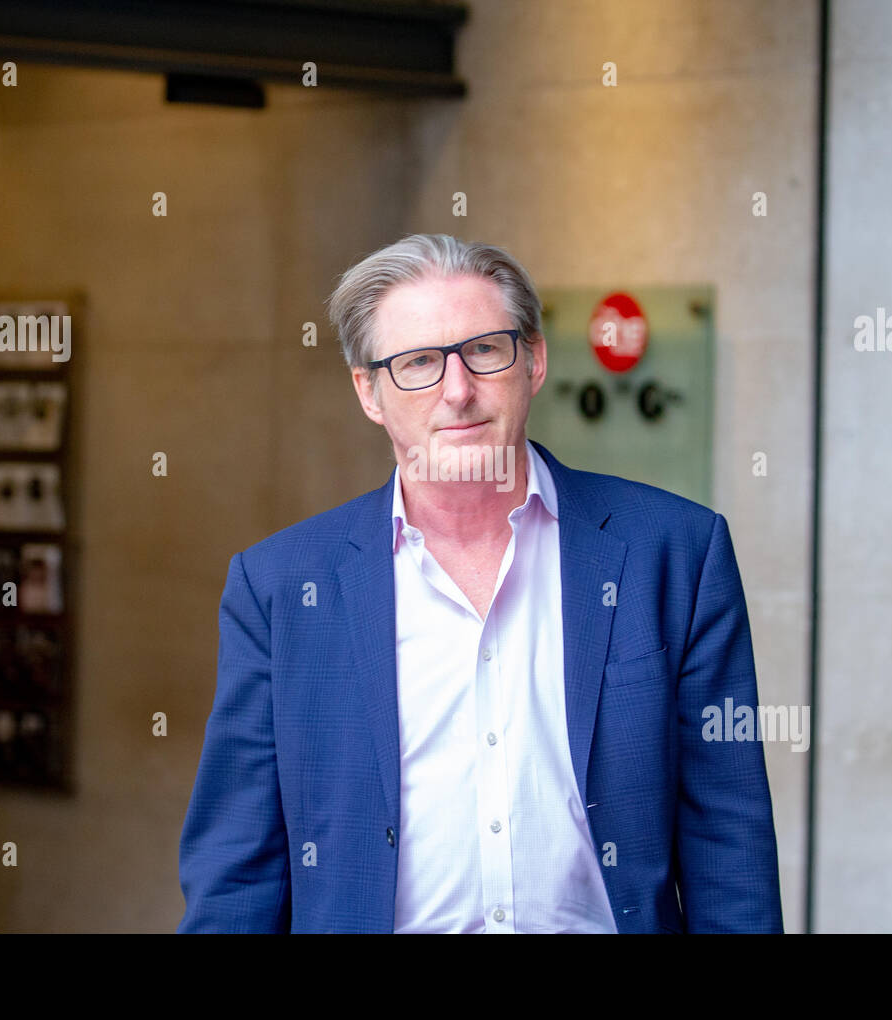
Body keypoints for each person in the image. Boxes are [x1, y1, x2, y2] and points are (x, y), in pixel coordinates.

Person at [177, 233, 783, 933]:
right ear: (368, 391)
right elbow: (237, 877)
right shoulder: (280, 588)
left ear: (535, 360)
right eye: (418, 363)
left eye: (485, 350)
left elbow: (729, 847)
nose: (458, 390)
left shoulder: (675, 554)